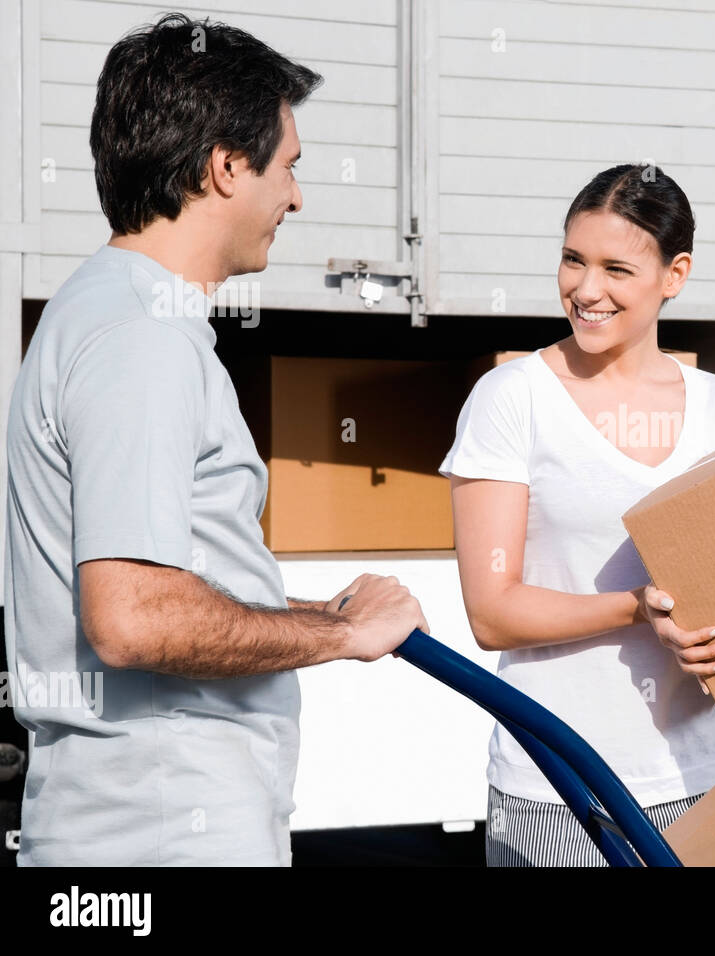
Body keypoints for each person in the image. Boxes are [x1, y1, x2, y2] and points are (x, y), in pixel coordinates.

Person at [2, 13, 427, 866]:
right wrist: (341, 640)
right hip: (161, 826)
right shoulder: (140, 338)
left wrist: (316, 610)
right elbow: (132, 618)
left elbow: (169, 583)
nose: (296, 197)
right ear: (226, 167)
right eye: (288, 166)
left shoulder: (114, 314)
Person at [439, 164, 715, 866]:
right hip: (561, 793)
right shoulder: (512, 399)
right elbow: (491, 613)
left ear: (674, 274)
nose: (585, 290)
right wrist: (637, 609)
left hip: (709, 781)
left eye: (616, 268)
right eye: (572, 260)